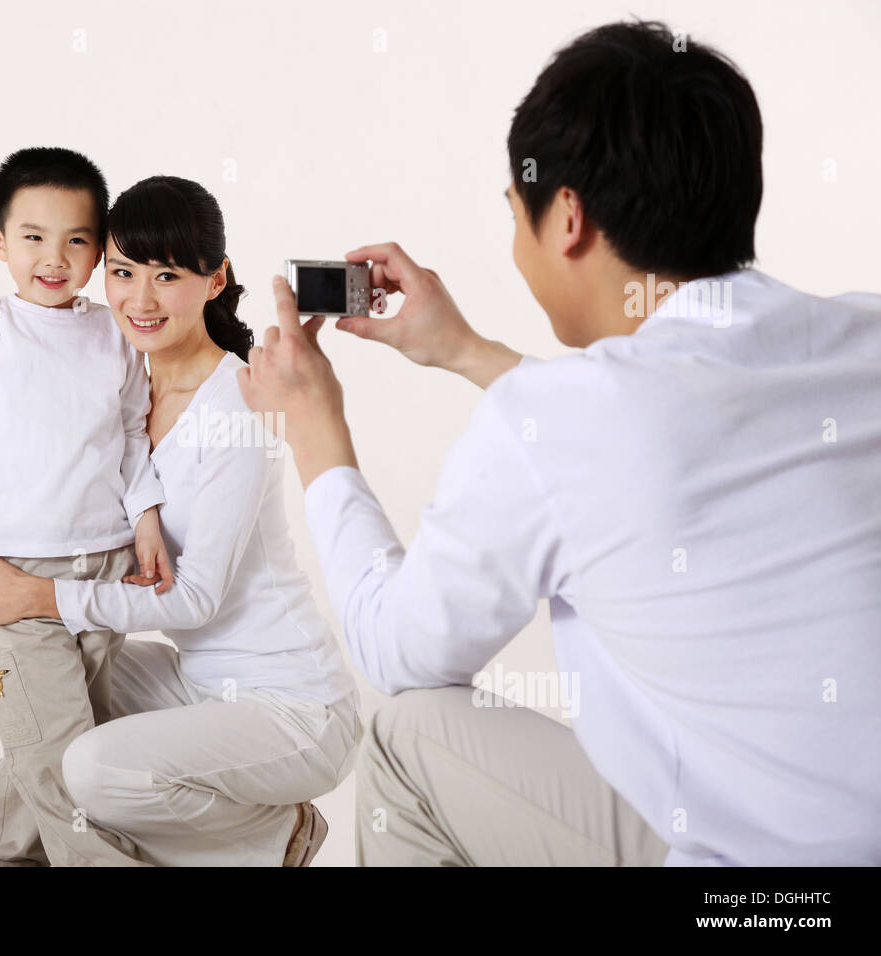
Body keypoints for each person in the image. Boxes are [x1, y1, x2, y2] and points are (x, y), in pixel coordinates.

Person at [238, 19, 881, 866]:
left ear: (566, 216)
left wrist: (315, 429)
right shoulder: (861, 336)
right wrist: (465, 352)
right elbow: (662, 423)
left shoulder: (560, 423)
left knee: (407, 733)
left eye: (517, 214)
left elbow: (399, 651)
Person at [0, 175, 361, 866]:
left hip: (293, 709)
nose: (140, 299)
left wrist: (42, 594)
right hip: (195, 682)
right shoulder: (118, 373)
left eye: (167, 275)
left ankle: (271, 836)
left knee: (93, 769)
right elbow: (18, 434)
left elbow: (195, 598)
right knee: (47, 688)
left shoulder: (239, 405)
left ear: (215, 279)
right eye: (122, 271)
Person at [0, 146, 175, 866]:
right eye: (32, 236)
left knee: (48, 740)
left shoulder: (113, 335)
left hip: (102, 569)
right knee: (57, 755)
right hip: (13, 573)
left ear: (100, 250)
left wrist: (146, 515)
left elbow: (130, 433)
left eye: (77, 240)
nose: (53, 257)